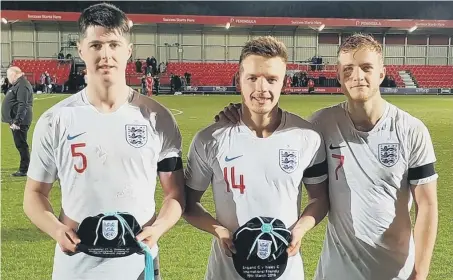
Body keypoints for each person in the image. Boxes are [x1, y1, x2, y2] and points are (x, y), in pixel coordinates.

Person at [215, 33, 438, 280]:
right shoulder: (321, 124)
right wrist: (238, 111)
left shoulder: (411, 130)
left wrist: (420, 272)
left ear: (382, 73)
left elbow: (427, 205)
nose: (358, 77)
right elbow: (275, 126)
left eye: (366, 68)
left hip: (396, 272)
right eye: (349, 69)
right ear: (339, 76)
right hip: (336, 272)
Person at [23, 3, 185, 280]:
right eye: (96, 45)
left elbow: (175, 194)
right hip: (75, 267)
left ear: (128, 50)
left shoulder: (158, 118)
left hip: (138, 266)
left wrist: (158, 229)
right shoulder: (55, 120)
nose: (106, 54)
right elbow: (34, 195)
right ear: (81, 49)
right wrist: (56, 229)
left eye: (114, 44)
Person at [183, 36, 329, 280]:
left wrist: (301, 228)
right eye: (252, 78)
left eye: (272, 79)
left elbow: (320, 198)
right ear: (239, 79)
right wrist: (219, 230)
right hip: (226, 272)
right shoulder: (209, 139)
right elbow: (188, 203)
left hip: (285, 271)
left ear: (284, 82)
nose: (262, 88)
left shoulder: (307, 137)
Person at [1, 66, 34, 176]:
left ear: (13, 75)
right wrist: (4, 86)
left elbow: (23, 104)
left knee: (21, 144)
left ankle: (24, 169)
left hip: (20, 121)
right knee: (20, 144)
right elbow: (11, 97)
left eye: (8, 76)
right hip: (16, 120)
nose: (8, 78)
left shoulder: (22, 85)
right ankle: (25, 167)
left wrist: (17, 122)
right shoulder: (18, 85)